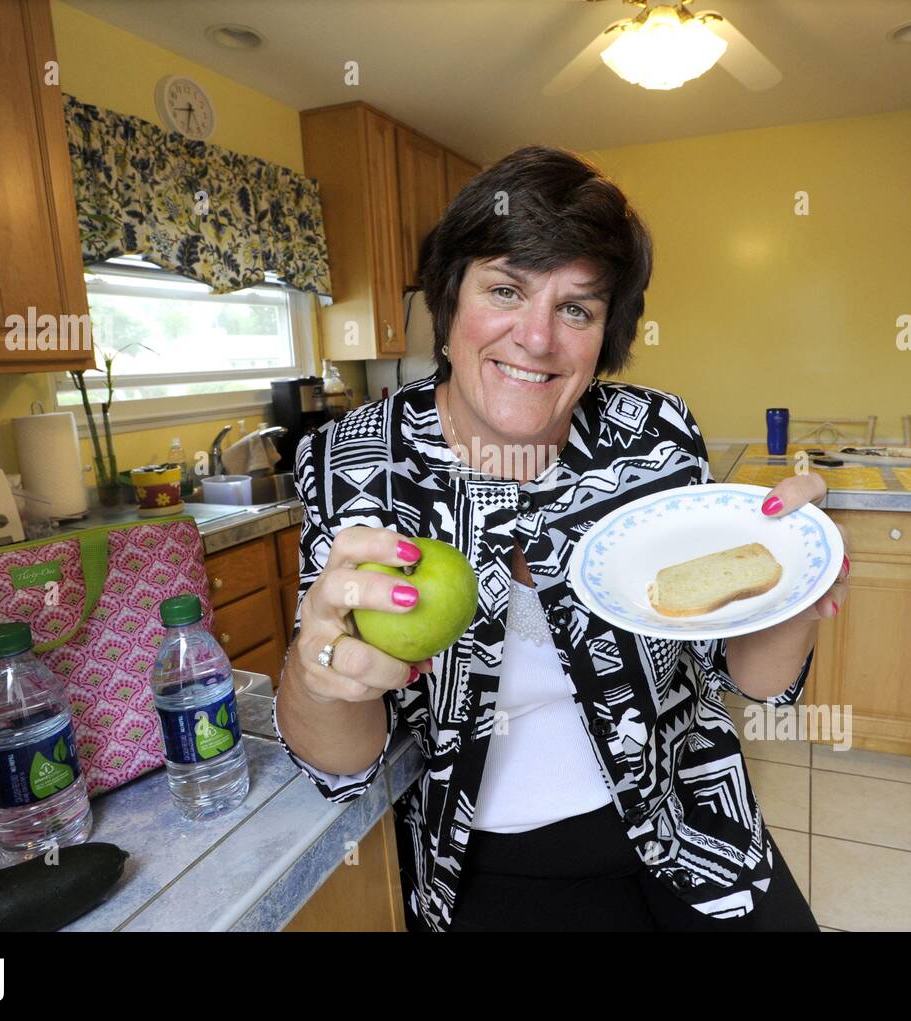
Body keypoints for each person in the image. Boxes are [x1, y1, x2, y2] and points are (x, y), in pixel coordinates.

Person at [273, 145, 850, 932]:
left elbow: (746, 679)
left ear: (605, 331)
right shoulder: (354, 461)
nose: (538, 338)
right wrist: (316, 676)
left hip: (688, 822)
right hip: (479, 862)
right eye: (506, 289)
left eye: (577, 307)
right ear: (449, 299)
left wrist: (795, 578)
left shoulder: (654, 434)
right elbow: (343, 762)